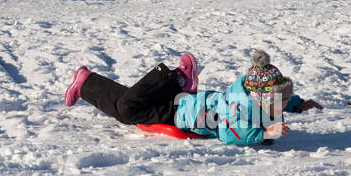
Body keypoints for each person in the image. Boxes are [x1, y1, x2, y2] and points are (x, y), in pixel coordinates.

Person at [64, 50, 322, 145]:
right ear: (261, 99)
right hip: (176, 113)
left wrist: (299, 103)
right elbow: (232, 133)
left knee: (124, 105)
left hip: (181, 102)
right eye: (281, 101)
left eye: (284, 101)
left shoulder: (257, 100)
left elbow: (282, 98)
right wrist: (266, 134)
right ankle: (171, 78)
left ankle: (85, 82)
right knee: (129, 110)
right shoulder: (239, 110)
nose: (283, 105)